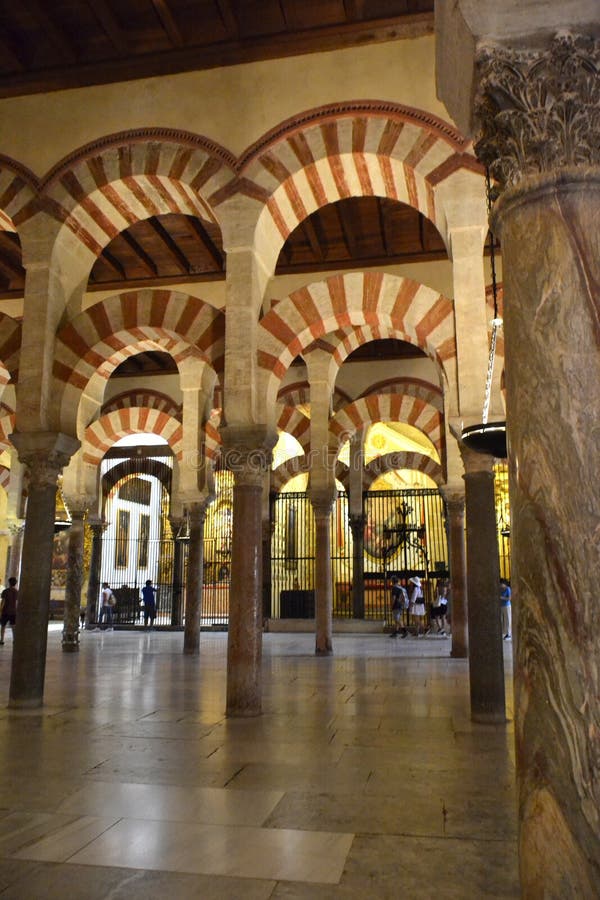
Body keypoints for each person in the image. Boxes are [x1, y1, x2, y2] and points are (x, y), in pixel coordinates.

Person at [0, 577, 18, 645]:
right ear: (15, 583)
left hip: (5, 611)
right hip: (13, 612)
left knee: (3, 626)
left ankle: (2, 640)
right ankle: (15, 640)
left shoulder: (5, 591)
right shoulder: (17, 592)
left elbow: (3, 602)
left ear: (9, 582)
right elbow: (17, 603)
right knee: (13, 627)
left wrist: (0, 610)